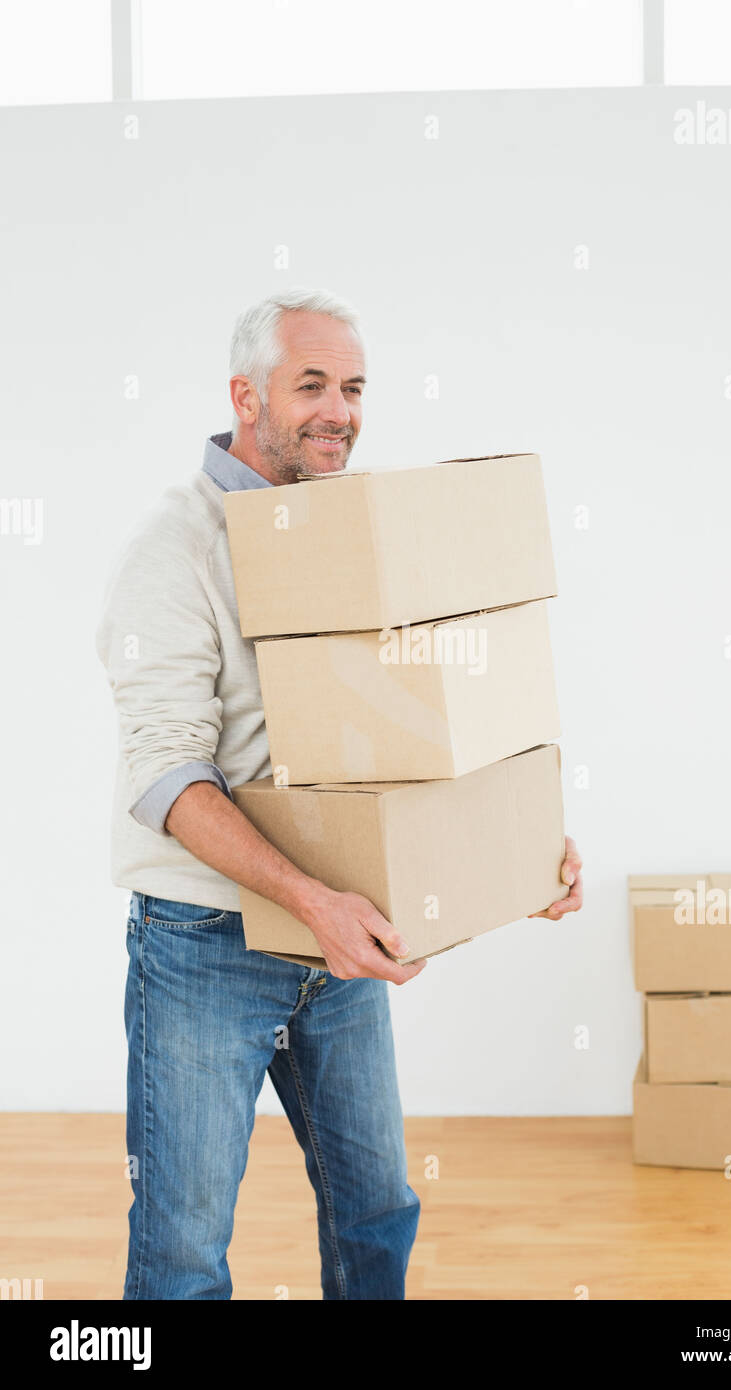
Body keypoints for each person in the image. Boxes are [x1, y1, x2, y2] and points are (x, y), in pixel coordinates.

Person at [95, 288, 584, 1301]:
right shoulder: (173, 551)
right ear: (245, 394)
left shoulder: (347, 529)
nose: (339, 411)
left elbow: (400, 728)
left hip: (340, 939)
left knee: (376, 1211)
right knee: (183, 1253)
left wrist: (513, 851)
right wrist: (311, 900)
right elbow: (164, 775)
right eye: (310, 383)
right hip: (208, 945)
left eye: (353, 387)